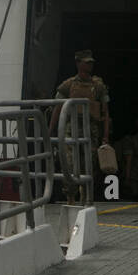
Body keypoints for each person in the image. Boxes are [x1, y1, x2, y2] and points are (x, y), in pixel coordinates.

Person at [49, 50, 110, 204]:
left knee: (89, 166)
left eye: (91, 62)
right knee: (69, 165)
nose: (90, 65)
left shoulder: (98, 86)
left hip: (91, 130)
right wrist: (50, 132)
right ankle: (70, 197)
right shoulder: (68, 85)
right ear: (78, 63)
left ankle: (86, 198)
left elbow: (105, 112)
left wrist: (106, 136)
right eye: (86, 62)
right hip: (71, 128)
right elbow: (57, 109)